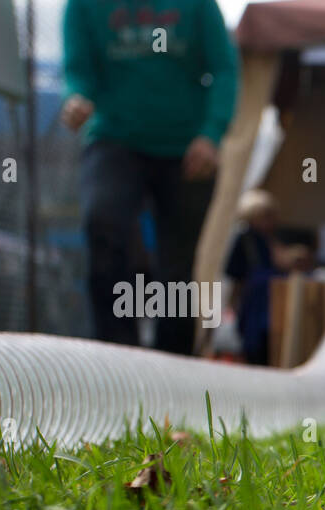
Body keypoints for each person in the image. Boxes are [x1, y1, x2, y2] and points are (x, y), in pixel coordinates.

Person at [61, 0, 239, 354]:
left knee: (177, 268)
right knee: (103, 225)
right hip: (113, 137)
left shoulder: (199, 6)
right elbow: (78, 68)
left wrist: (211, 133)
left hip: (187, 149)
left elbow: (224, 68)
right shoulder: (82, 6)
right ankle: (116, 358)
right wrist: (76, 98)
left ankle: (172, 369)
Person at [224, 190, 310, 366]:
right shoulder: (245, 239)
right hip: (254, 304)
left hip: (269, 303)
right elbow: (235, 276)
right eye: (266, 216)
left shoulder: (268, 238)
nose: (271, 221)